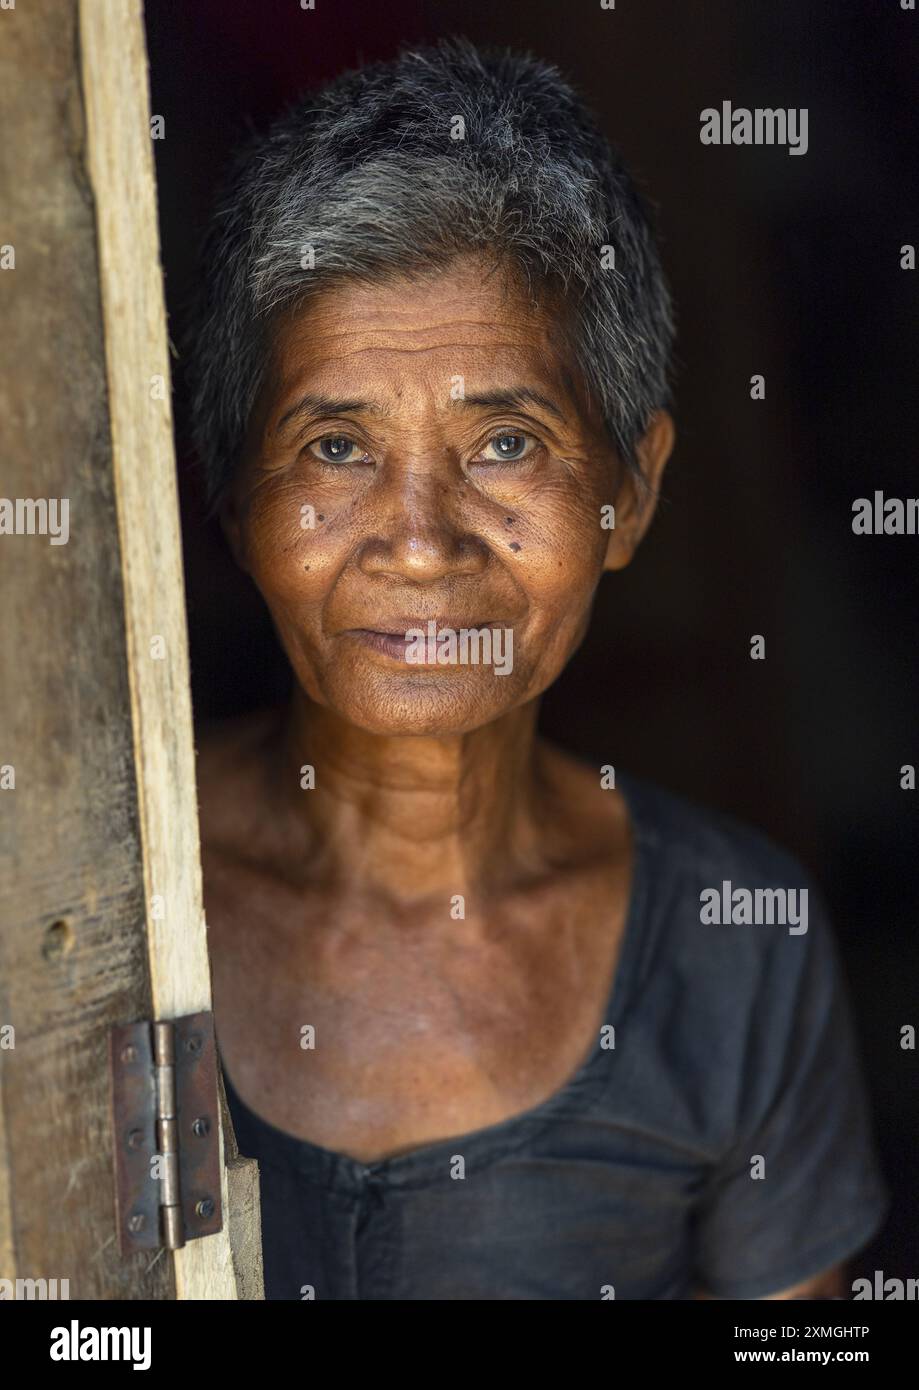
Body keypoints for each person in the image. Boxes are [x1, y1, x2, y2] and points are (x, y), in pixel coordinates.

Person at [187, 37, 888, 1300]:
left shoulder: (735, 944)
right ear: (234, 501)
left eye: (505, 440)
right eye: (336, 446)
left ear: (629, 491)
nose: (417, 538)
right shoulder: (77, 903)